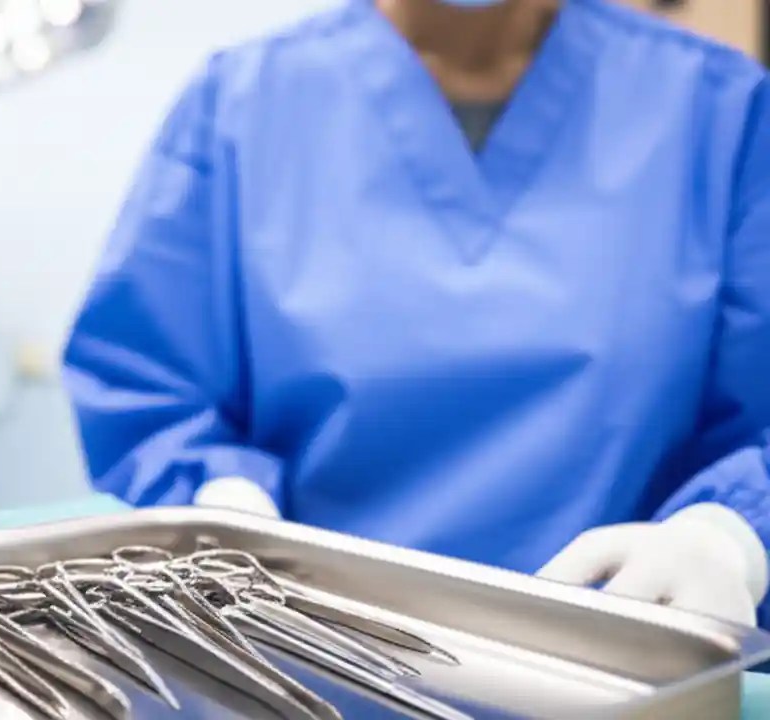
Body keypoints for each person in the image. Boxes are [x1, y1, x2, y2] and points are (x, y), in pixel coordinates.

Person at [63, 0, 770, 626]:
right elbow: (146, 380)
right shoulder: (243, 105)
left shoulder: (721, 111)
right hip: (307, 651)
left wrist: (728, 533)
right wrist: (221, 497)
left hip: (626, 657)